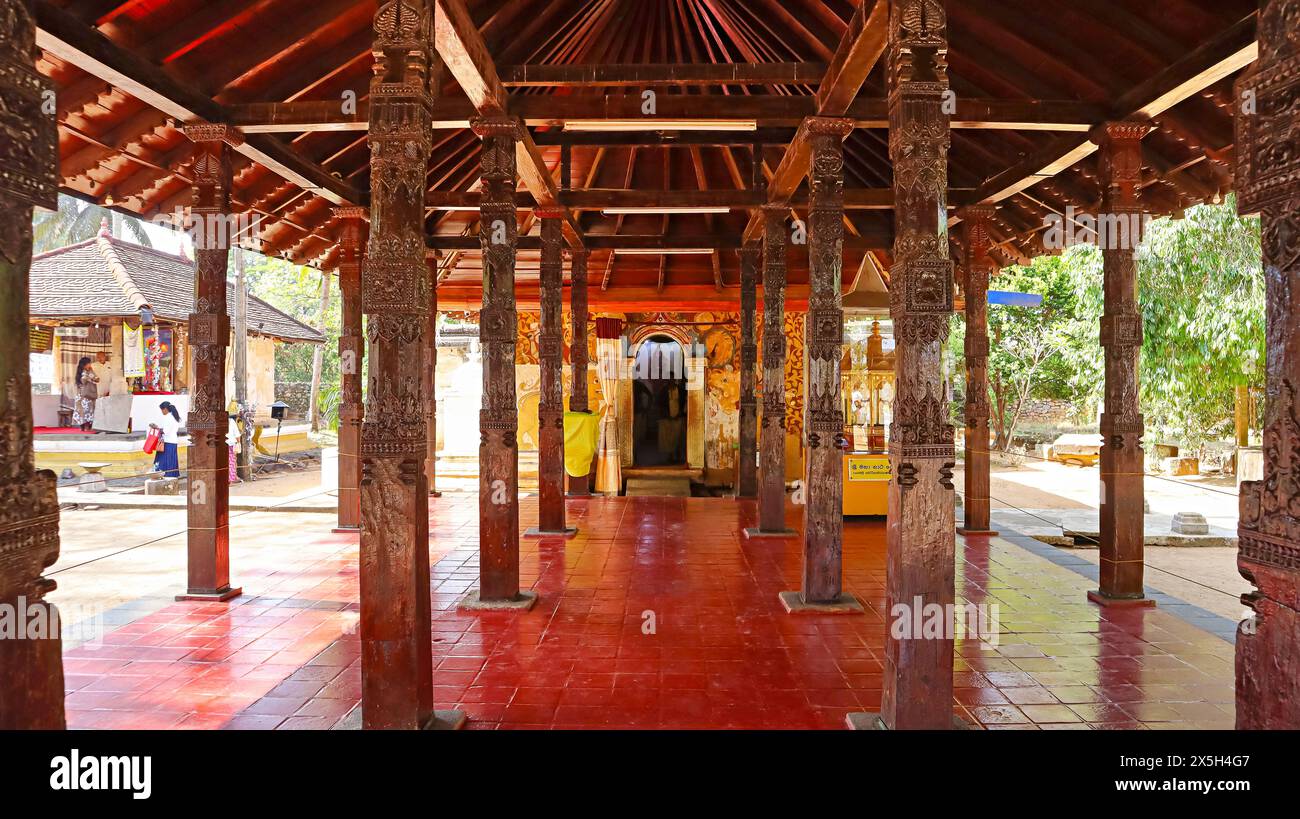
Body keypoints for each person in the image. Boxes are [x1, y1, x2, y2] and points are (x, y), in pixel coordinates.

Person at [150, 402, 182, 478]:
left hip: (167, 441)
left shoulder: (168, 417)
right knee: (171, 459)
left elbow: (165, 431)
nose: (162, 412)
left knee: (163, 459)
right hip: (173, 440)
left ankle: (163, 474)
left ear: (165, 409)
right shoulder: (174, 416)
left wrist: (156, 428)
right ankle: (172, 475)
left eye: (162, 410)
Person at [73, 356, 99, 432]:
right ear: (85, 364)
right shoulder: (82, 372)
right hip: (82, 395)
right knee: (84, 411)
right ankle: (83, 427)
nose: (90, 365)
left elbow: (97, 379)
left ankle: (86, 427)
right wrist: (90, 376)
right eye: (89, 363)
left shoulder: (90, 371)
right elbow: (84, 381)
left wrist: (91, 374)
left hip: (88, 395)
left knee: (88, 410)